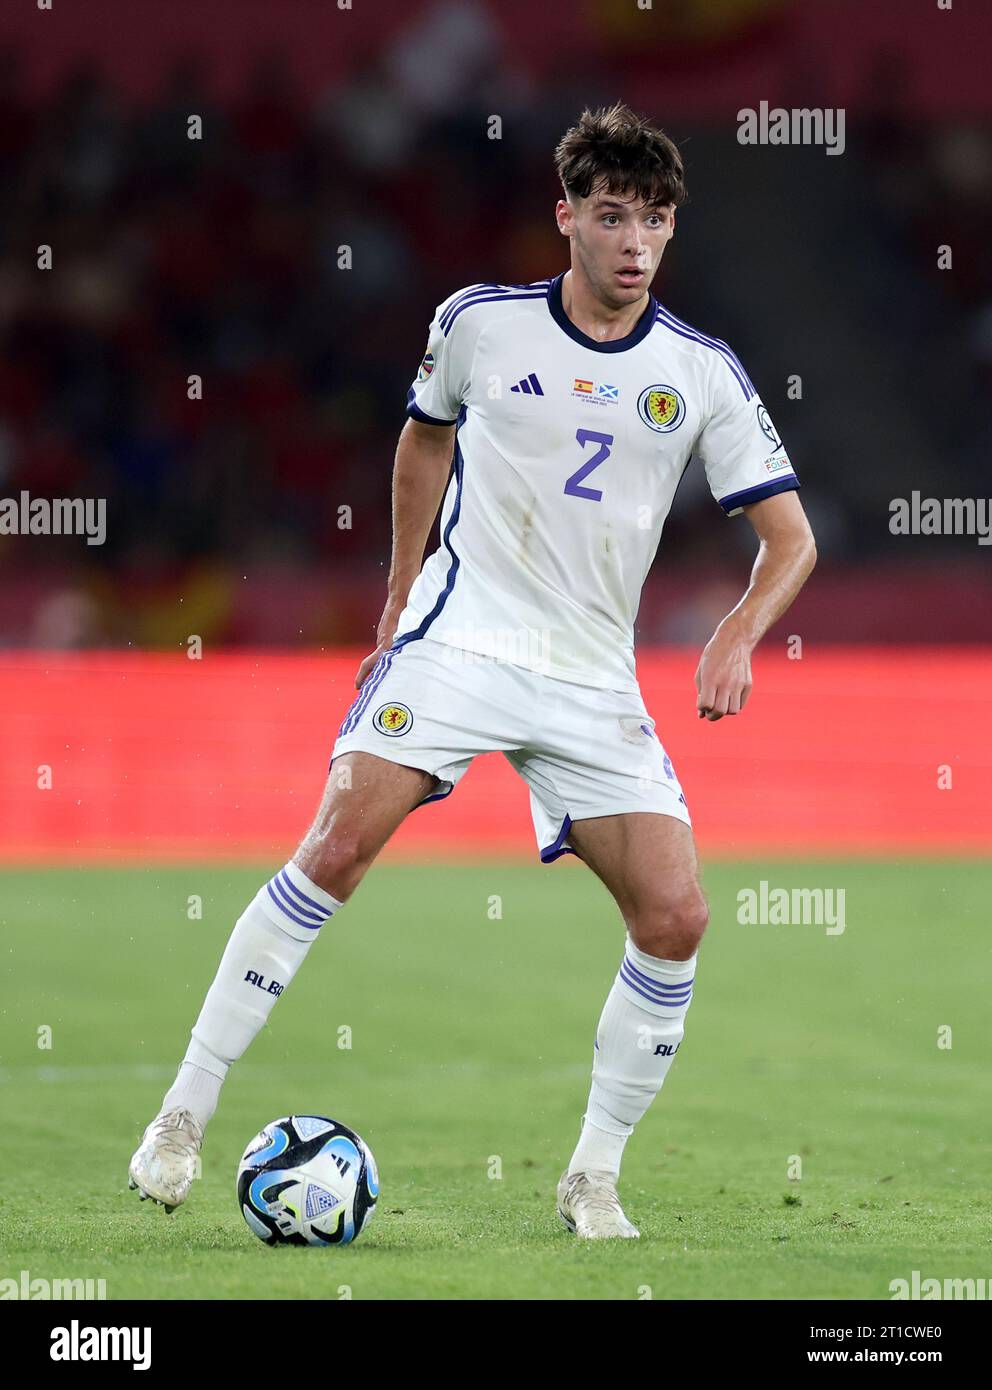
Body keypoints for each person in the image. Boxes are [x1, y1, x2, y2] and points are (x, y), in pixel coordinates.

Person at [129, 102, 815, 1239]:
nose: (634, 240)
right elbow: (422, 437)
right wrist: (401, 594)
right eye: (610, 216)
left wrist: (737, 631)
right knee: (335, 846)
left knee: (676, 914)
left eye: (652, 219)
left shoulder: (699, 372)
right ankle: (180, 1120)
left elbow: (788, 537)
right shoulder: (481, 326)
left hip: (591, 676)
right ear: (566, 220)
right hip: (463, 639)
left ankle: (590, 1178)